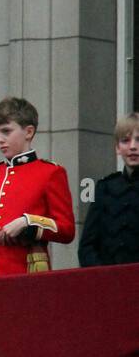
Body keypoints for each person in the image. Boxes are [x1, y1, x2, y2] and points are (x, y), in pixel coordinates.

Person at [0, 97, 75, 276]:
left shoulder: (50, 172)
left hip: (27, 277)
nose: (0, 139)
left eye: (6, 131)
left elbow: (67, 229)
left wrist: (27, 222)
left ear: (28, 132)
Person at [79, 113, 139, 268]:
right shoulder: (105, 187)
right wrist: (103, 277)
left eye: (138, 140)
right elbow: (87, 246)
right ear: (117, 148)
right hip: (110, 284)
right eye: (125, 141)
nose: (133, 146)